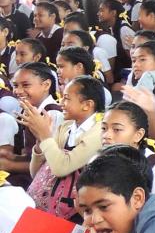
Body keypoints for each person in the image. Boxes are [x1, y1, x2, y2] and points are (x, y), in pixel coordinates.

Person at [22, 75, 106, 221]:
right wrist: (40, 141)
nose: (61, 103)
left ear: (87, 105)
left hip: (78, 212)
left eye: (66, 98)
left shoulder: (100, 131)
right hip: (53, 206)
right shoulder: (65, 127)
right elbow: (37, 173)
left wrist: (45, 135)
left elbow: (61, 168)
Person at [100, 101, 155, 194]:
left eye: (117, 129)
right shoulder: (99, 161)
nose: (106, 135)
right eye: (104, 128)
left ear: (138, 135)